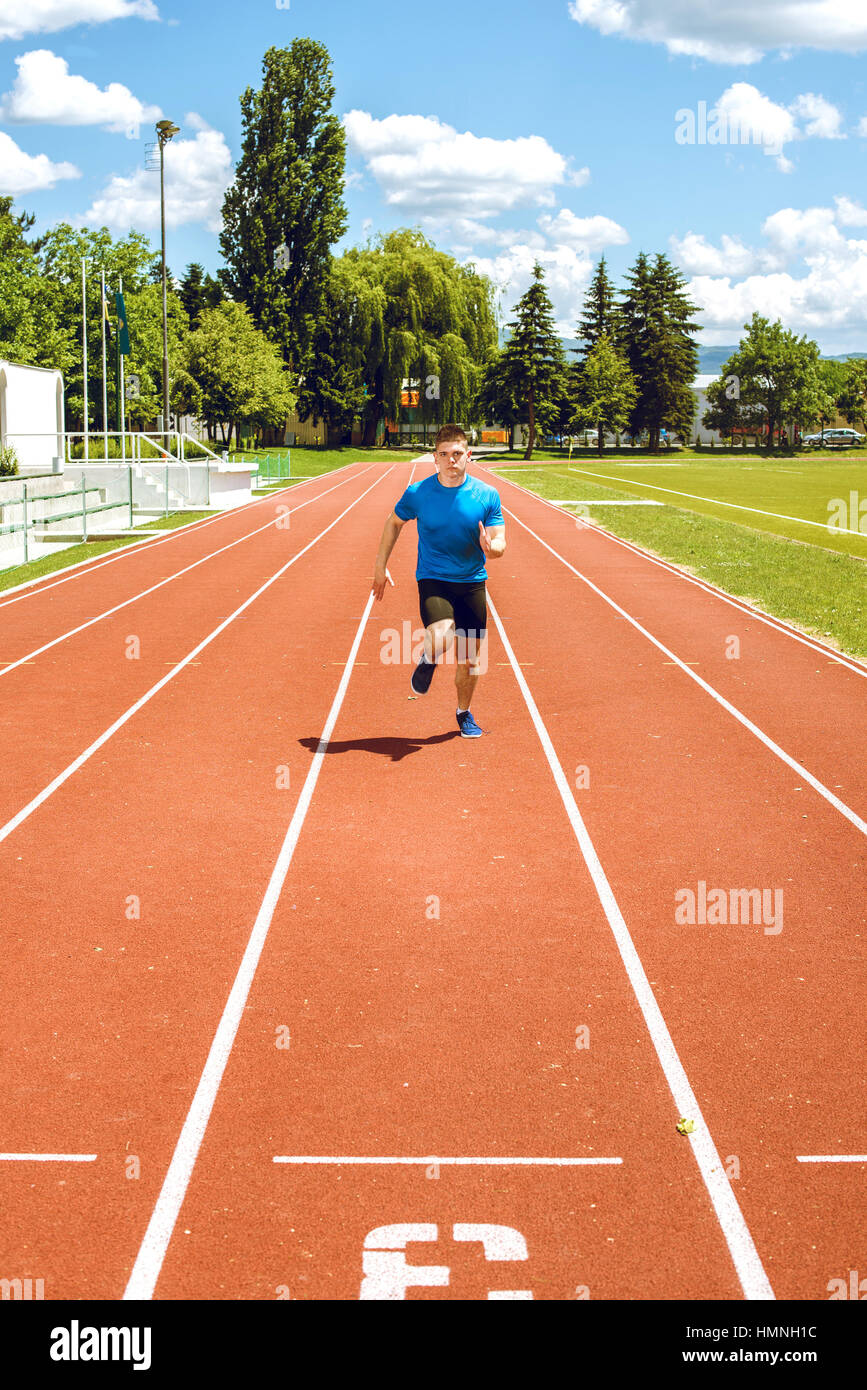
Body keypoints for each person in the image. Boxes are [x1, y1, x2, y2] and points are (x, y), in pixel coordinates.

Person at [371, 424, 506, 738]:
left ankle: (463, 713)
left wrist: (492, 548)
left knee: (471, 662)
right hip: (434, 579)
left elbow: (500, 542)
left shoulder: (487, 495)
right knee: (443, 634)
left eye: (457, 454)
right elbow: (393, 523)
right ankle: (429, 656)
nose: (451, 461)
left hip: (472, 582)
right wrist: (380, 566)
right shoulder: (418, 493)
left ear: (468, 456)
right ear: (435, 457)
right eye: (444, 455)